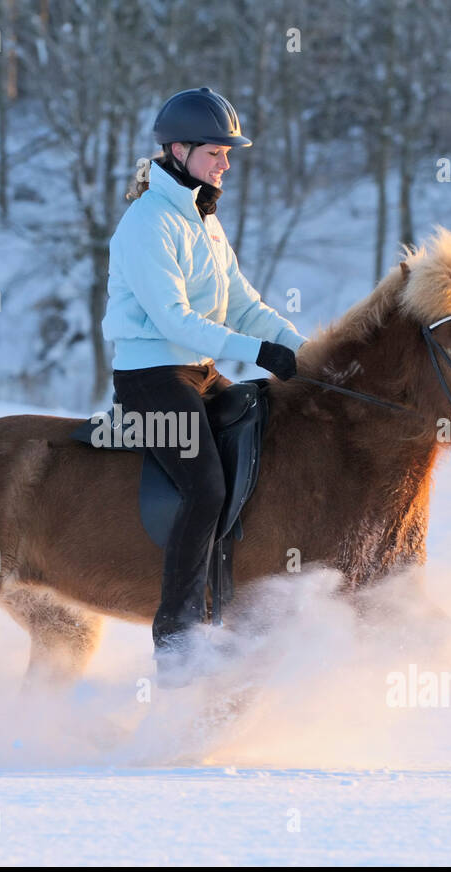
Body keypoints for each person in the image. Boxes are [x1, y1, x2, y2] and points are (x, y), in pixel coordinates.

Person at [102, 87, 307, 687]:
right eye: (215, 152)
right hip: (151, 377)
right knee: (206, 487)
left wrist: (303, 351)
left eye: (227, 153)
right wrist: (258, 353)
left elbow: (244, 305)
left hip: (201, 371)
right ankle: (178, 637)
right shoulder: (147, 223)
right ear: (178, 149)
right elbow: (173, 321)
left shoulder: (202, 218)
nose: (224, 163)